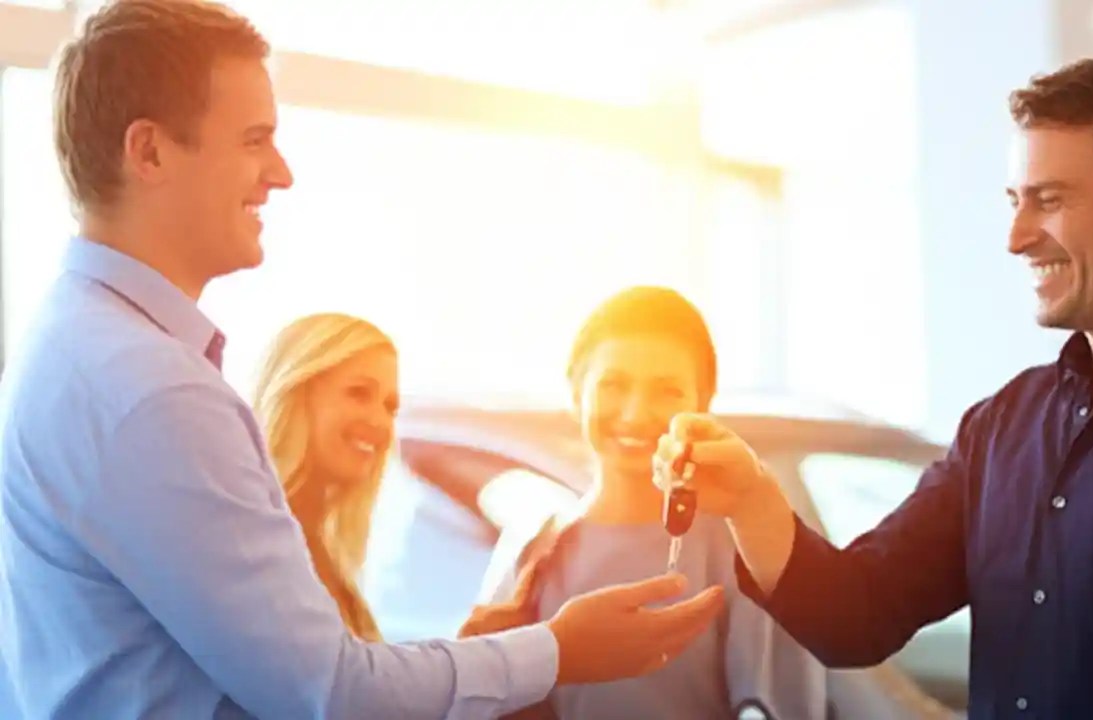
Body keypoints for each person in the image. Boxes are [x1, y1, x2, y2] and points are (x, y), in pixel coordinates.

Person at [0, 1, 722, 718]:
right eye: (255, 140)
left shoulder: (62, 346)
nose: (279, 173)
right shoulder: (153, 392)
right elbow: (334, 694)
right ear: (150, 152)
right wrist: (558, 650)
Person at [655, 53, 1093, 718]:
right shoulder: (1005, 424)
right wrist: (750, 499)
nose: (1016, 237)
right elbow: (858, 612)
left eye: (1051, 200)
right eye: (1015, 201)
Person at [467, 286, 827, 719]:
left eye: (667, 391)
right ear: (576, 393)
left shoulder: (744, 547)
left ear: (702, 404)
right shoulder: (534, 547)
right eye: (613, 384)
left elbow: (782, 707)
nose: (636, 413)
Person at [250, 313, 401, 642]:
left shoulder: (322, 543)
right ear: (297, 393)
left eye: (390, 406)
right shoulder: (260, 539)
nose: (380, 421)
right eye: (359, 393)